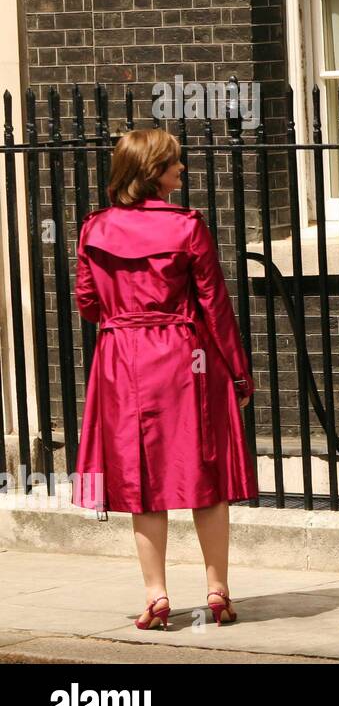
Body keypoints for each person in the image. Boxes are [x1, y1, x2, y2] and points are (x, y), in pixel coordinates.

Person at [72, 128, 257, 630]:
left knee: (140, 481)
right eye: (175, 164)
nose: (182, 171)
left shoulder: (94, 228)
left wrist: (124, 314)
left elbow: (88, 304)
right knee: (204, 471)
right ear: (154, 172)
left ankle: (156, 595)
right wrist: (239, 372)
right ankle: (217, 589)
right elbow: (215, 306)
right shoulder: (187, 226)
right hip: (183, 355)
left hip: (121, 359)